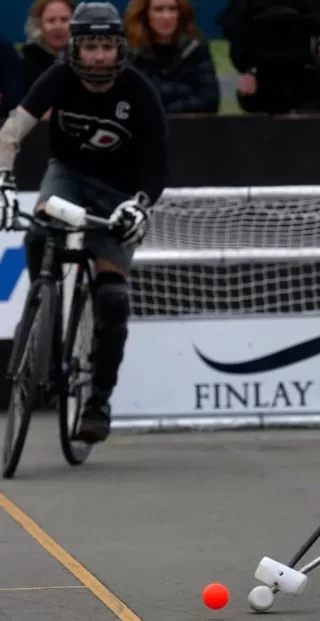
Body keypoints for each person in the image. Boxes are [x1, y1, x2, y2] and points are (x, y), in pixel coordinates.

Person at [0, 1, 168, 444]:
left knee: (112, 298)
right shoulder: (58, 77)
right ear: (74, 47)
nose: (97, 57)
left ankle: (99, 400)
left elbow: (158, 166)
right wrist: (2, 182)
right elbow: (12, 130)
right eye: (89, 46)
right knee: (39, 234)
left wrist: (140, 204)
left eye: (105, 47)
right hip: (69, 176)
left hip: (121, 191)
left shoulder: (140, 91)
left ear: (119, 48)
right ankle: (42, 313)